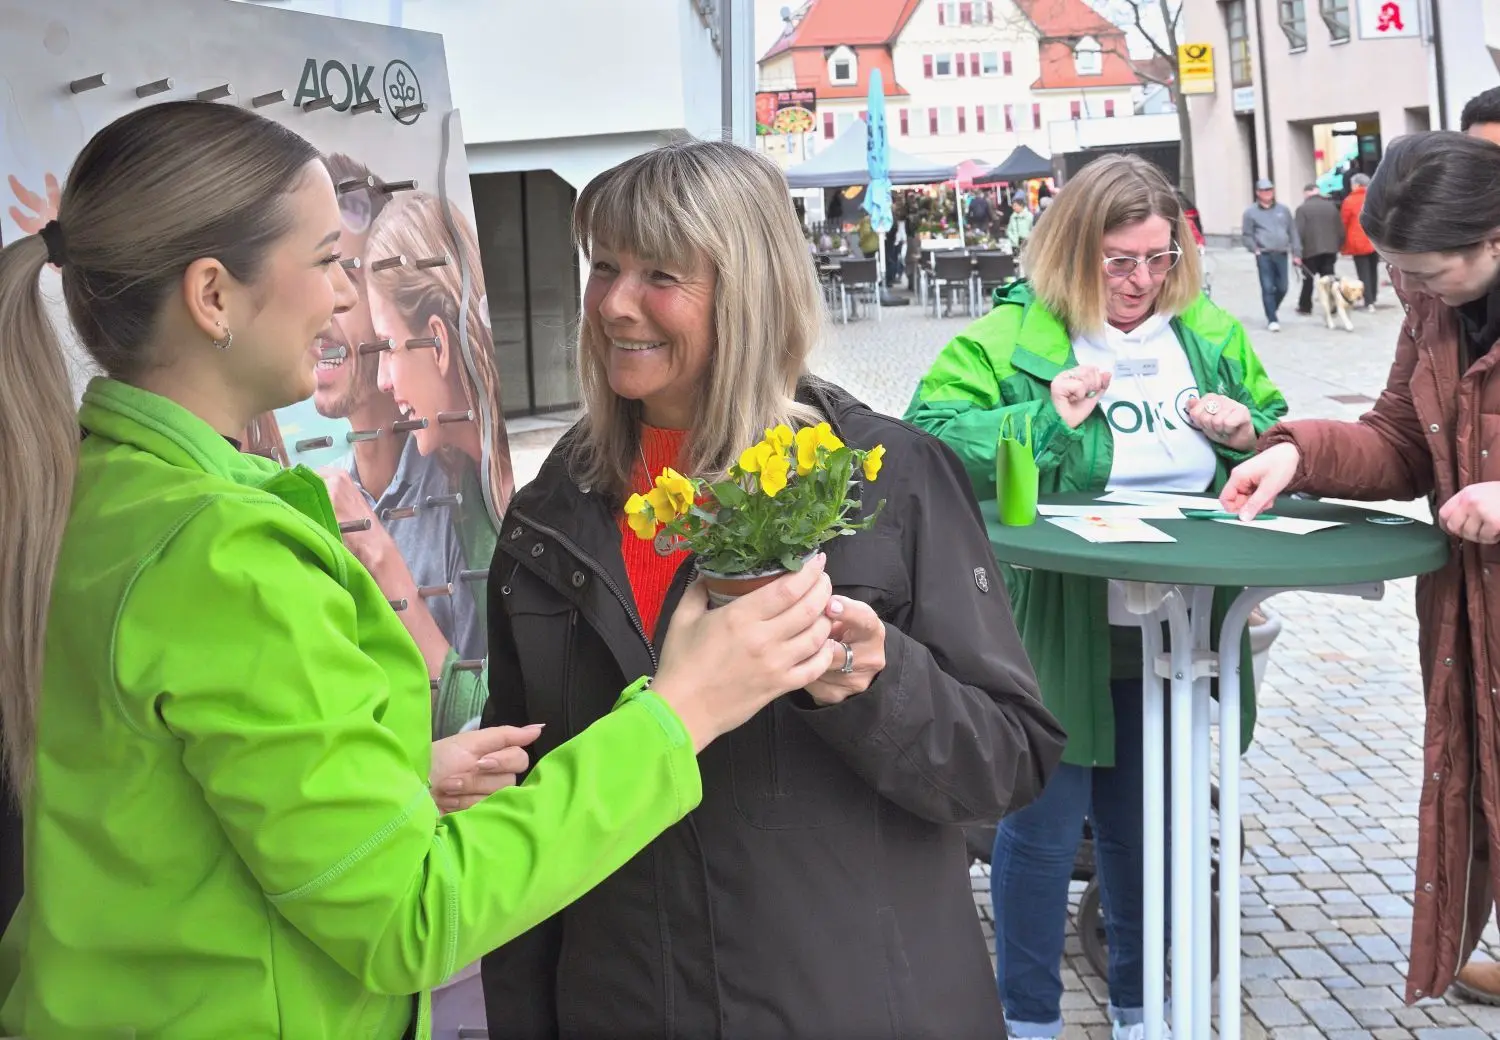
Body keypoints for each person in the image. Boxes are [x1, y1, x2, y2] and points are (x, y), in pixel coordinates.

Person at [0, 99, 849, 1039]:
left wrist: (392, 779)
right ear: (214, 297)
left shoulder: (99, 486)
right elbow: (412, 914)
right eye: (326, 260)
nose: (342, 297)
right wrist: (680, 711)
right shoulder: (223, 550)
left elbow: (164, 794)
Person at [479, 139, 1066, 1040]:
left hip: (849, 1005)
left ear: (747, 293)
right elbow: (524, 799)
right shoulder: (556, 509)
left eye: (660, 274)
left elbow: (1008, 760)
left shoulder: (885, 480)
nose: (614, 304)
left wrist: (879, 684)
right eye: (605, 266)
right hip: (622, 1002)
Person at [907, 153, 1288, 1040]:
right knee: (1040, 833)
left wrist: (1247, 433)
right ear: (1075, 252)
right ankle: (1027, 1019)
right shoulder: (1014, 336)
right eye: (1120, 261)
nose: (1142, 281)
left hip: (1173, 627)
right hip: (1056, 620)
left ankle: (1140, 1014)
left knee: (1144, 829)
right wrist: (1043, 420)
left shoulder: (1206, 333)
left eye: (1160, 259)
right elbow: (929, 438)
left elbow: (1272, 433)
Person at [1220, 129, 1500, 1013]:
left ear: (1494, 239)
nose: (1409, 290)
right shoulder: (1434, 311)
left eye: (1427, 271)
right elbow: (1398, 442)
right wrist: (1295, 455)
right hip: (1476, 621)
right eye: (1400, 270)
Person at [1242, 177, 1300, 331]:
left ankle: (1272, 308)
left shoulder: (1283, 210)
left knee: (1283, 287)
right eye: (1263, 190)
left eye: (1269, 190)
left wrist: (1296, 252)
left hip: (1281, 253)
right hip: (1264, 254)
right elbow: (1247, 234)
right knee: (1267, 286)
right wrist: (1254, 248)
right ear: (1257, 193)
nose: (1267, 193)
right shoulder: (1251, 212)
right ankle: (1272, 319)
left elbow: (1292, 231)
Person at [1294, 182, 1345, 316]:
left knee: (1308, 280)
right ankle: (1332, 305)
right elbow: (1340, 229)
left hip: (1309, 251)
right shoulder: (1331, 207)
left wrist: (1297, 252)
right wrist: (1338, 246)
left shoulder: (1302, 209)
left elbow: (1298, 232)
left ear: (1306, 193)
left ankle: (1305, 306)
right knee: (1328, 278)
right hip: (1330, 250)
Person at [1341, 172, 1380, 311]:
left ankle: (1368, 300)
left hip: (1358, 242)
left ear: (1357, 185)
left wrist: (1342, 242)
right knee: (1373, 269)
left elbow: (1344, 222)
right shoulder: (1375, 198)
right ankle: (1373, 297)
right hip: (1375, 240)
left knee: (1363, 272)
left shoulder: (1349, 201)